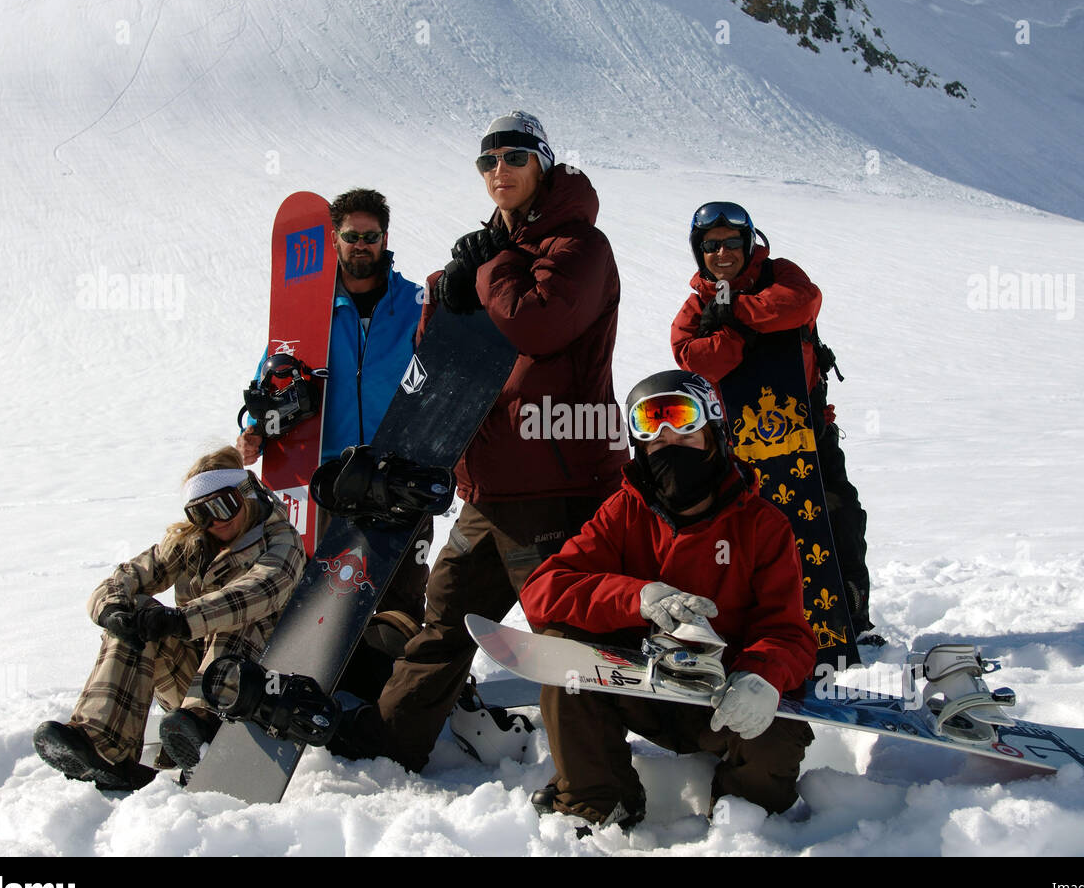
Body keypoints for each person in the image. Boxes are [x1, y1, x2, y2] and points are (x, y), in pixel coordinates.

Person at [326, 110, 624, 772]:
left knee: (566, 642)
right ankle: (390, 744)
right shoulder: (494, 250)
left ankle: (595, 778)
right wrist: (445, 289)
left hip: (560, 483)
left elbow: (538, 324)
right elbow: (446, 357)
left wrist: (487, 267)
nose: (499, 172)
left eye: (514, 157)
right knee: (446, 622)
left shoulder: (580, 247)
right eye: (487, 161)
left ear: (543, 162)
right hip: (490, 485)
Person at [519, 371, 817, 829]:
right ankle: (598, 800)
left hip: (723, 698)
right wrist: (634, 597)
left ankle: (746, 824)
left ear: (713, 435)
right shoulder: (625, 511)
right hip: (645, 687)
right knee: (564, 651)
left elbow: (788, 631)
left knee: (774, 724)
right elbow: (545, 590)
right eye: (656, 438)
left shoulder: (762, 525)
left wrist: (762, 676)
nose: (669, 444)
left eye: (684, 429)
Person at [237, 188, 428, 698]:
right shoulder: (306, 312)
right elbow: (272, 382)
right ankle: (309, 688)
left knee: (398, 594)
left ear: (385, 238)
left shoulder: (415, 307)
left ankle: (385, 699)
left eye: (371, 236)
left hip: (396, 478)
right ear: (333, 239)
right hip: (324, 475)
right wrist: (256, 432)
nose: (361, 245)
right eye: (351, 236)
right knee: (323, 590)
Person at [33, 447, 306, 789]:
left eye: (223, 506)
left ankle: (204, 727)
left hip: (254, 685)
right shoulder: (194, 541)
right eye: (201, 514)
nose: (216, 522)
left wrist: (180, 619)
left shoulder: (281, 541)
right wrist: (113, 610)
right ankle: (105, 747)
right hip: (190, 687)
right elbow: (129, 575)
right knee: (138, 613)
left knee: (234, 617)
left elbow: (259, 591)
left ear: (245, 494)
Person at [671, 201, 873, 635]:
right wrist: (741, 333)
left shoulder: (780, 273)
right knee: (751, 538)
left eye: (729, 243)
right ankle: (761, 621)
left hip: (809, 435)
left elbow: (802, 302)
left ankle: (851, 615)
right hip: (739, 448)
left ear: (747, 243)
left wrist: (737, 316)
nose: (721, 254)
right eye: (710, 246)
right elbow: (694, 362)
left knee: (838, 516)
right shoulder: (695, 305)